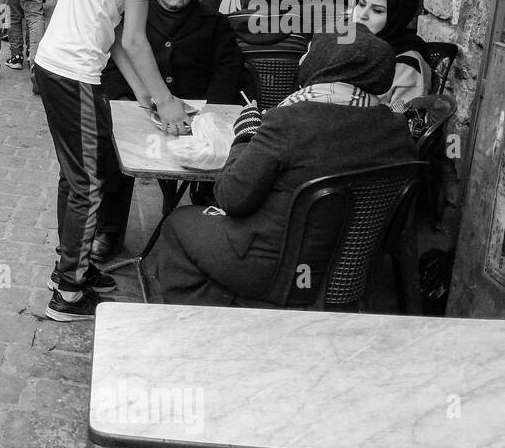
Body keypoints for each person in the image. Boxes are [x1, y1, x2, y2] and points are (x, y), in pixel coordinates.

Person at [33, 0, 221, 321]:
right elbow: (136, 39)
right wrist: (169, 101)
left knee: (79, 176)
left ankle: (70, 269)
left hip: (65, 66)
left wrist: (143, 94)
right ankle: (70, 295)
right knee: (92, 184)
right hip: (73, 71)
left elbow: (115, 29)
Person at [142, 31, 416, 306]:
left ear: (327, 62)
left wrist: (246, 134)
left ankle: (216, 321)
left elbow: (231, 197)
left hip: (275, 268)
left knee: (178, 224)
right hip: (348, 273)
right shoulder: (397, 129)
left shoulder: (290, 120)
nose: (303, 60)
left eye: (309, 53)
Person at [95, 0, 245, 262]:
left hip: (194, 116)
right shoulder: (135, 17)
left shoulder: (213, 24)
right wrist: (133, 104)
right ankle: (109, 229)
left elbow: (227, 71)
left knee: (220, 159)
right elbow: (111, 66)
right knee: (111, 150)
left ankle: (200, 233)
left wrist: (208, 113)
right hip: (139, 109)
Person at [353, 0, 430, 109]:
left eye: (377, 10)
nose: (363, 15)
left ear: (396, 17)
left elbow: (400, 118)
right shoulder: (350, 44)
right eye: (361, 4)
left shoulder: (406, 64)